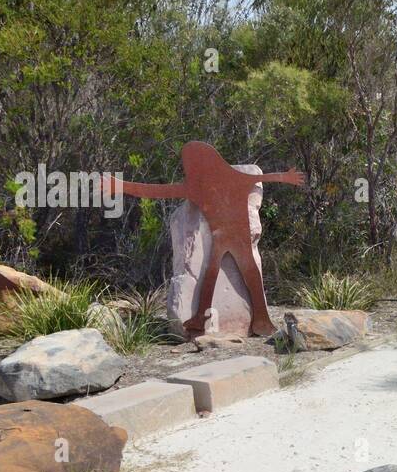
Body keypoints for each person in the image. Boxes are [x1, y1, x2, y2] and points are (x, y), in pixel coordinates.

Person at [106, 142, 305, 336]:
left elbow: (157, 191)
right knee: (229, 273)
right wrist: (286, 177)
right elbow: (267, 177)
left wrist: (122, 186)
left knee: (227, 273)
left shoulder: (200, 187)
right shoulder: (233, 178)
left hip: (230, 237)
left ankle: (252, 320)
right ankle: (221, 318)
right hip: (229, 238)